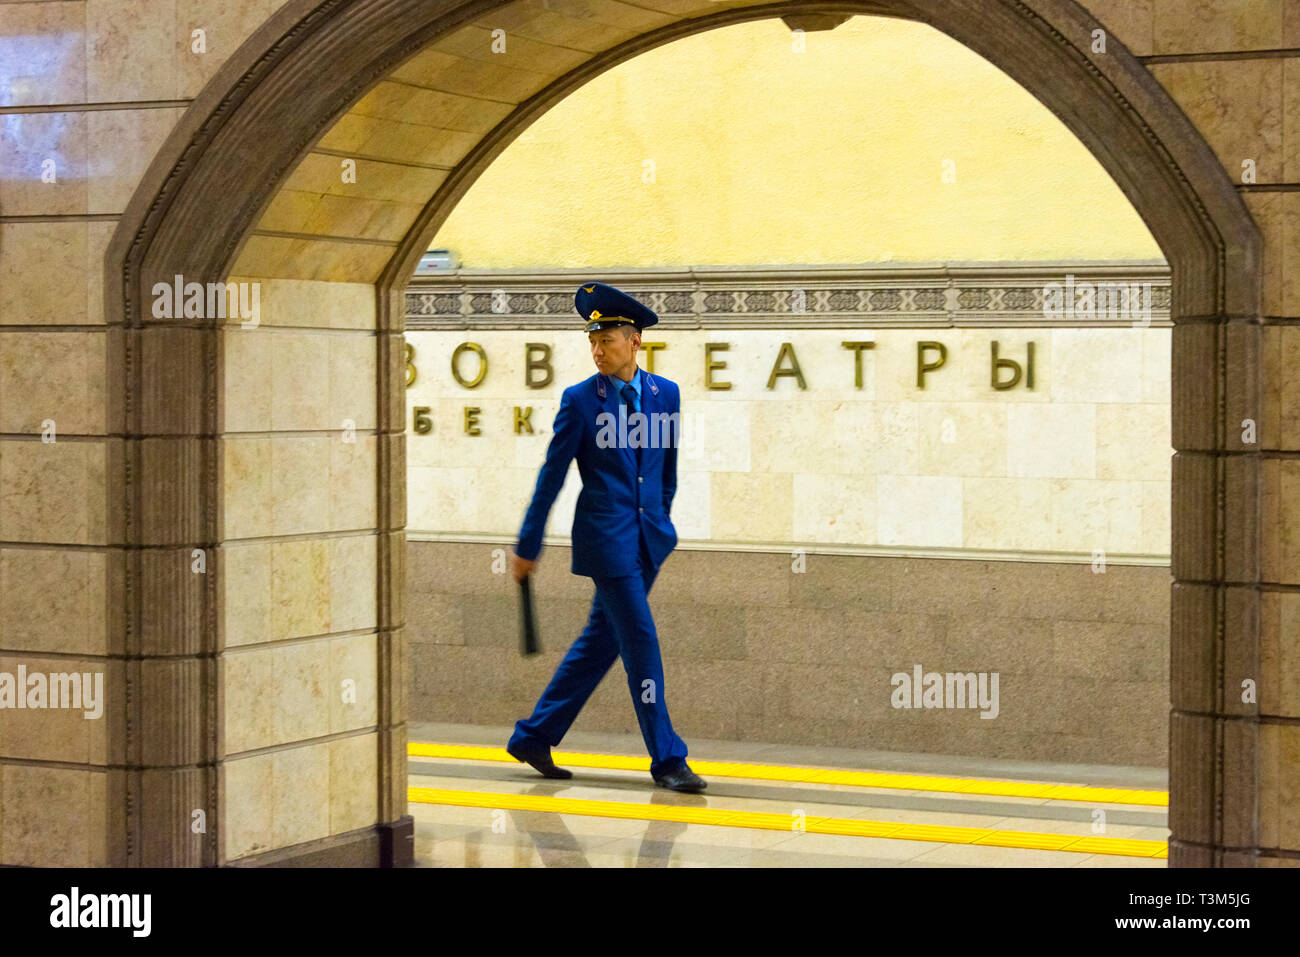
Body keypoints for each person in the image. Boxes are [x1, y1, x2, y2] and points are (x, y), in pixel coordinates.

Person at [507, 281, 706, 793]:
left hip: (649, 540)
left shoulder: (666, 395)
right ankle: (667, 758)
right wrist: (529, 545)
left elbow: (667, 470)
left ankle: (535, 735)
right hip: (605, 540)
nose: (597, 351)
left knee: (600, 644)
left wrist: (662, 521)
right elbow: (550, 477)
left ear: (635, 341)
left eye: (608, 340)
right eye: (592, 342)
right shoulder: (580, 402)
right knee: (639, 639)